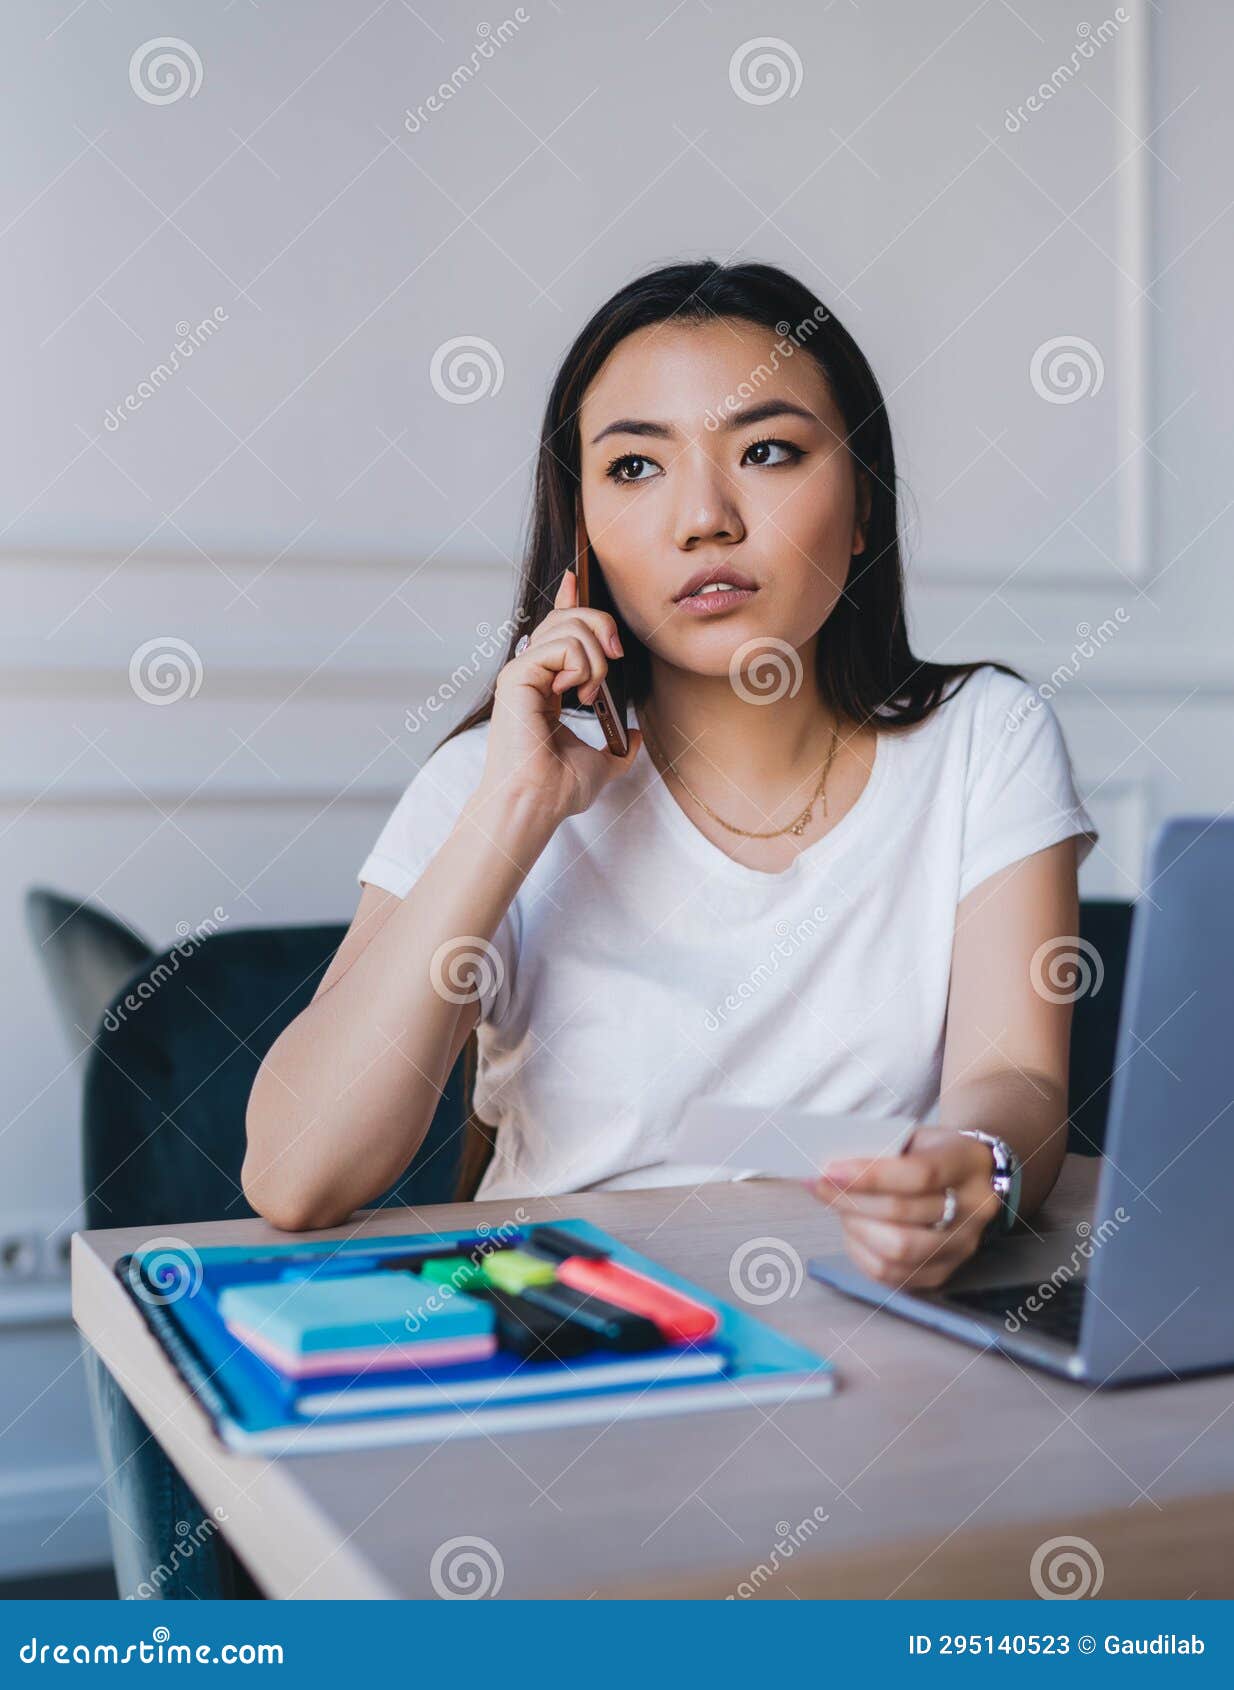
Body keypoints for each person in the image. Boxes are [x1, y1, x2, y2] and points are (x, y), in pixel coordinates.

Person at [243, 259, 1098, 1291]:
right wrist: (516, 811)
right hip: (568, 1337)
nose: (705, 518)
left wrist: (976, 1169)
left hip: (870, 1330)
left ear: (863, 509)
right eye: (636, 468)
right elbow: (296, 1177)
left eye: (769, 452)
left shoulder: (983, 740)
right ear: (582, 534)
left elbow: (1014, 1077)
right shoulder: (491, 779)